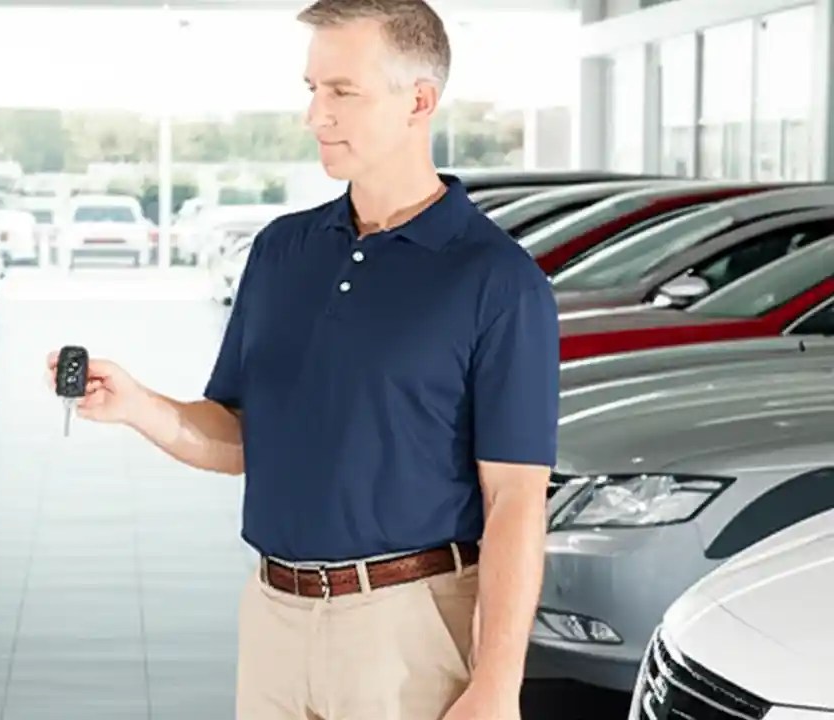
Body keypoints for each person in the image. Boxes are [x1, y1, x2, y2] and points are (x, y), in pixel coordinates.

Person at [45, 1, 559, 718]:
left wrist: (497, 684)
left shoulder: (499, 282)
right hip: (272, 619)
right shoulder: (281, 251)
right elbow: (239, 436)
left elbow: (514, 501)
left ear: (420, 100)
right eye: (312, 89)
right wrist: (139, 406)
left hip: (407, 632)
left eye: (342, 91)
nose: (316, 116)